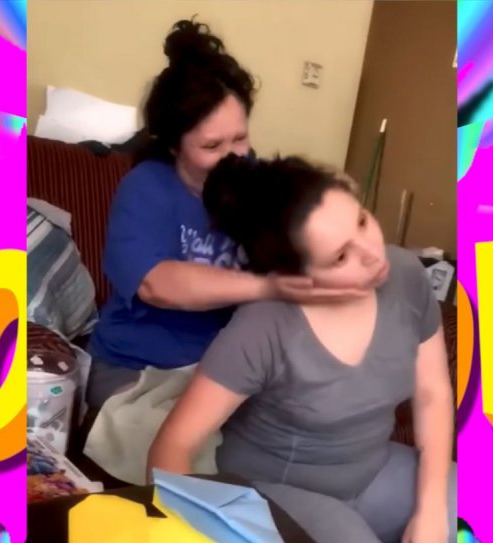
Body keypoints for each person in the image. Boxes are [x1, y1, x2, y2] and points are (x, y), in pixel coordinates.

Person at [148, 154, 457, 543]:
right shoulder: (263, 328)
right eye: (340, 257)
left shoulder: (405, 275)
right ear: (296, 275)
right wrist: (224, 540)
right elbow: (170, 448)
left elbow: (431, 393)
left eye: (362, 221)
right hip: (286, 492)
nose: (372, 255)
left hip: (373, 468)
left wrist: (428, 511)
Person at [86, 20, 370, 410]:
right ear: (174, 146)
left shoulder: (255, 179)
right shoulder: (145, 187)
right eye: (211, 145)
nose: (232, 156)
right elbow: (156, 284)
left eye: (240, 138)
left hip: (228, 370)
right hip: (136, 368)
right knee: (171, 436)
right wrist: (268, 287)